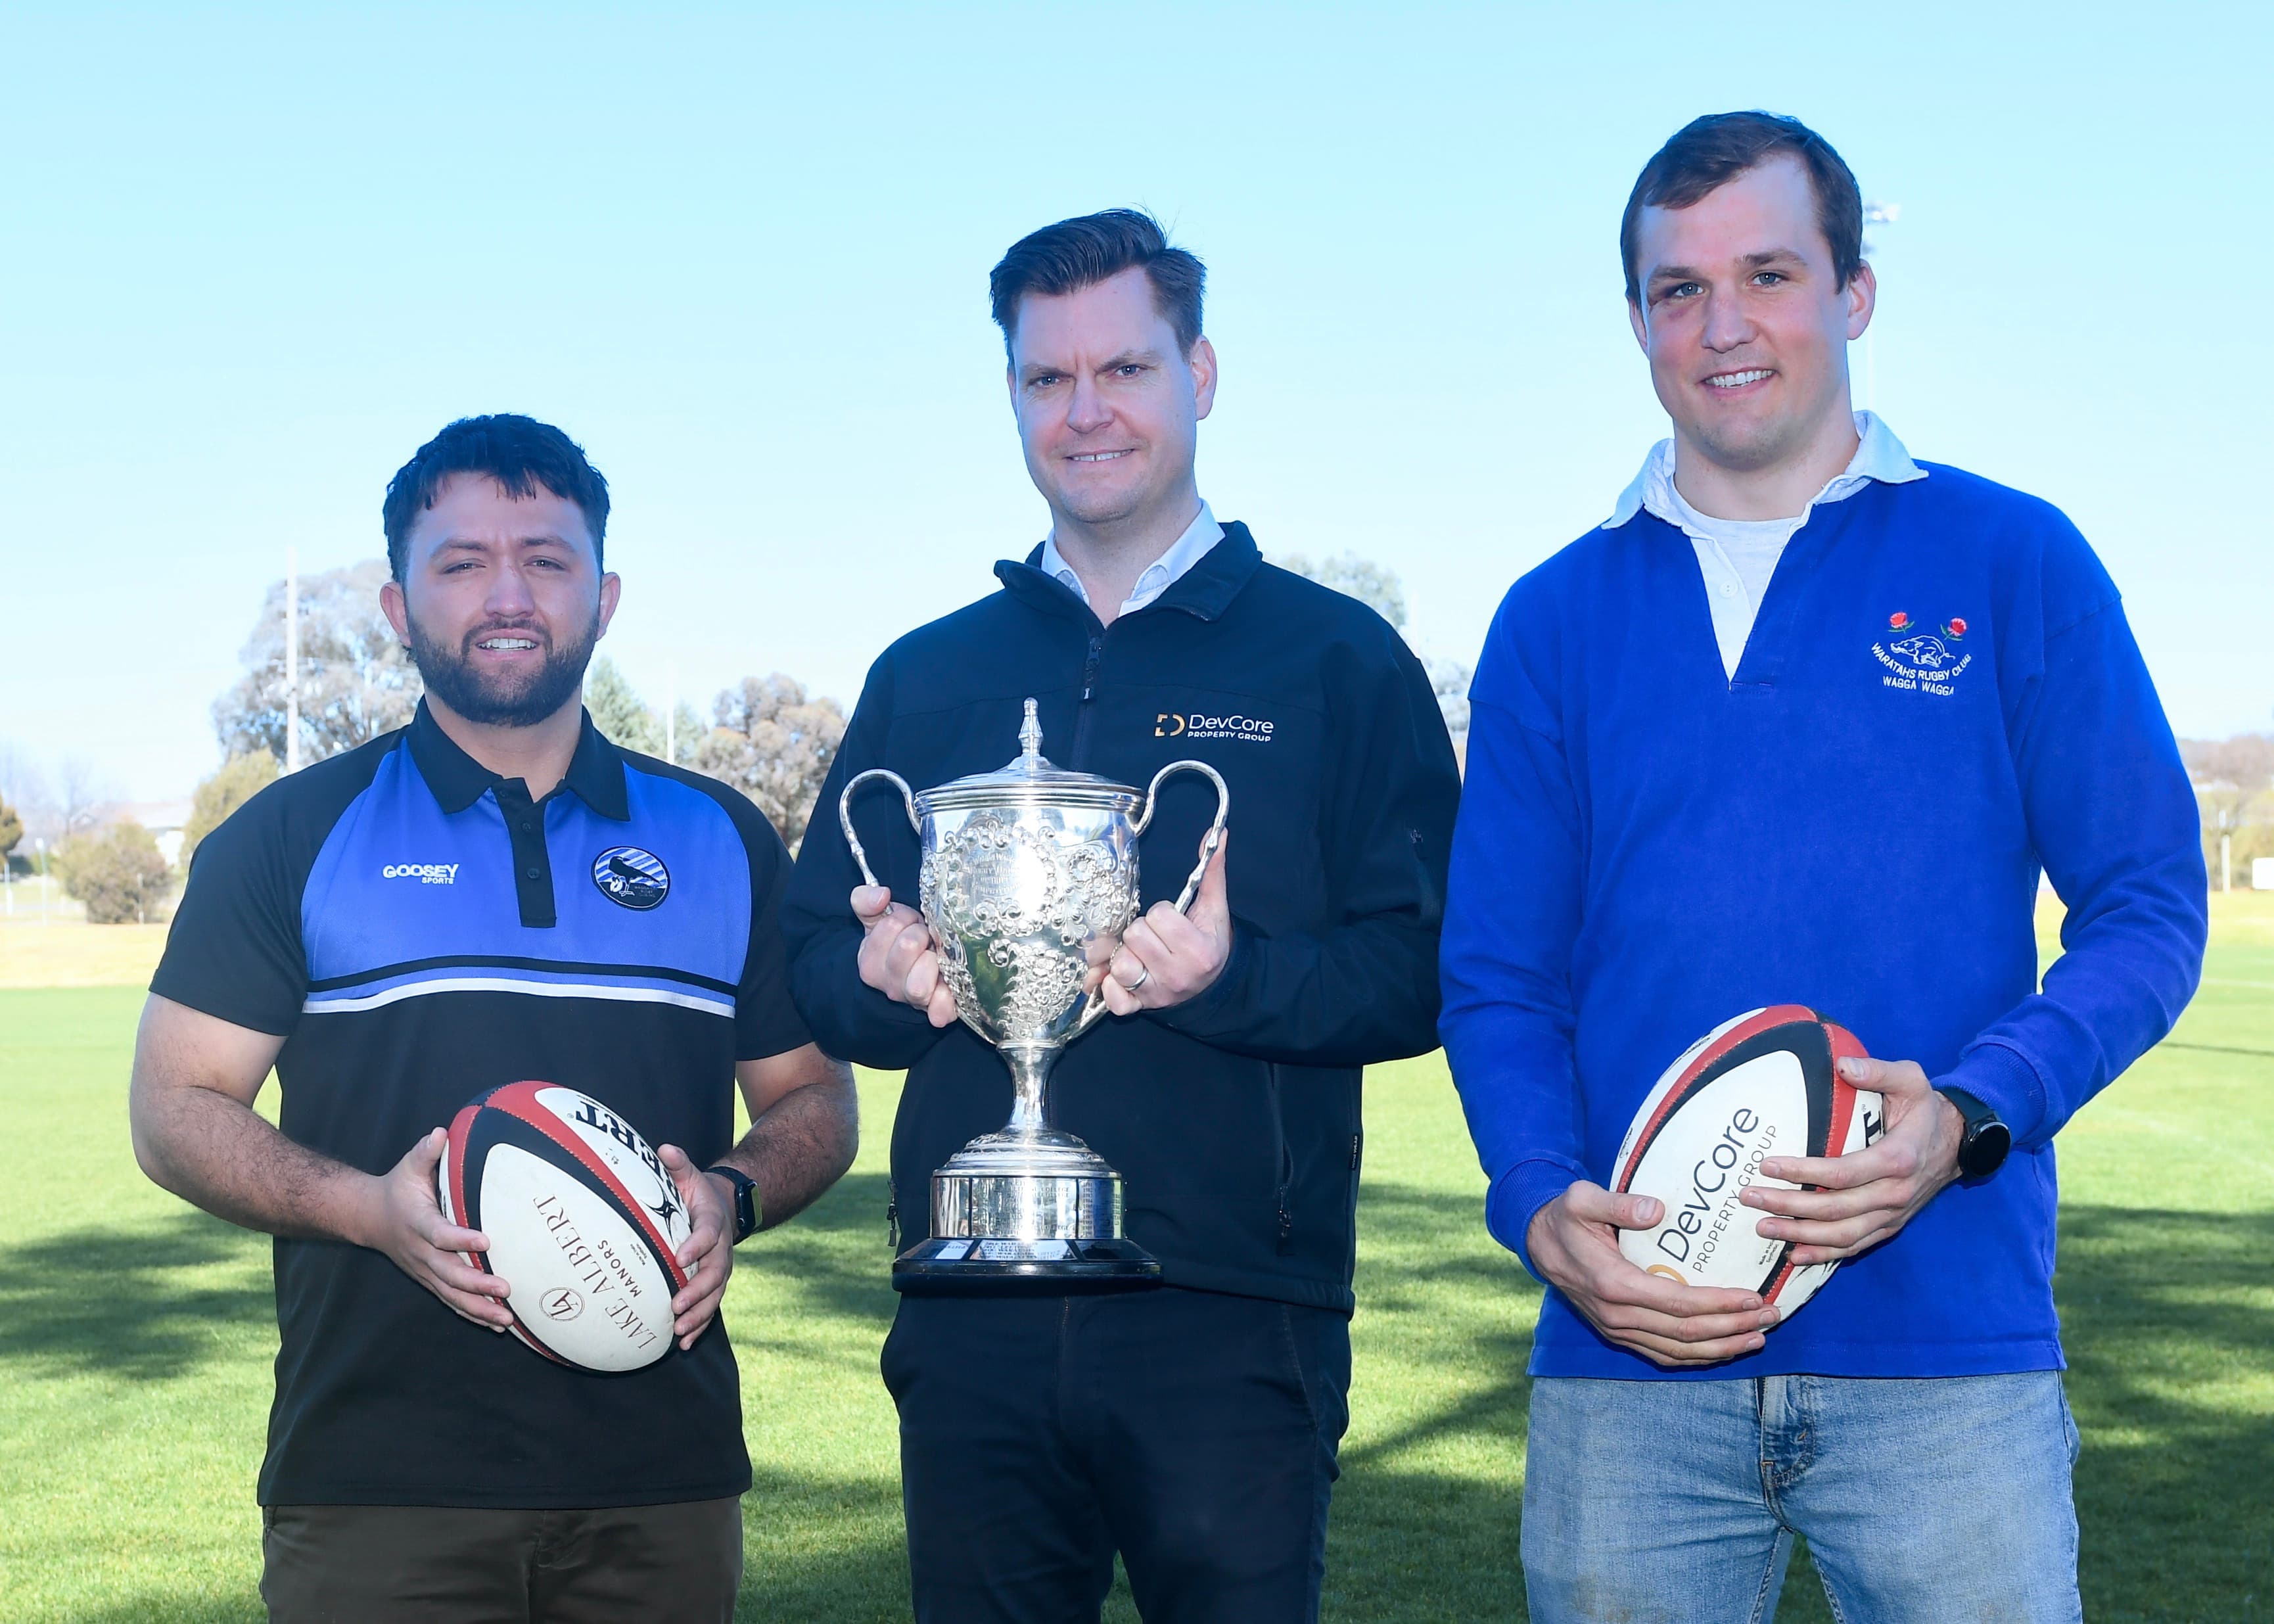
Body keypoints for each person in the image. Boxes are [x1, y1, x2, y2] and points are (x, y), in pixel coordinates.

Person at [1439, 112, 2206, 1623]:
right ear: (1635, 321)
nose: (1722, 327)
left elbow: (2146, 905)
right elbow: (1496, 977)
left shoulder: (2009, 559)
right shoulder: (1550, 618)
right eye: (1676, 290)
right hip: (1626, 1362)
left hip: (1945, 1351)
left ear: (1852, 294)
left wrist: (1974, 1114)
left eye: (1768, 275)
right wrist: (1535, 1202)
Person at [783, 210, 1460, 1623]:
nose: (1084, 412)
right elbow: (808, 957)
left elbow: (1424, 968)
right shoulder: (927, 673)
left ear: (1197, 373)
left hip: (1228, 1321)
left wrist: (1232, 978)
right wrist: (876, 972)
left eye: (1124, 370)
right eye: (1045, 379)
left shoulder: (1336, 660)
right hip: (968, 1309)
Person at [129, 414, 858, 1623]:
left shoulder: (719, 838)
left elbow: (816, 1100)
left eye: (548, 558)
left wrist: (731, 1196)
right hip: (379, 1487)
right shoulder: (293, 836)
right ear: (397, 605)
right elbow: (174, 1108)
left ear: (606, 595)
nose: (507, 594)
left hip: (661, 1484)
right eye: (462, 563)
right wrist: (366, 1210)